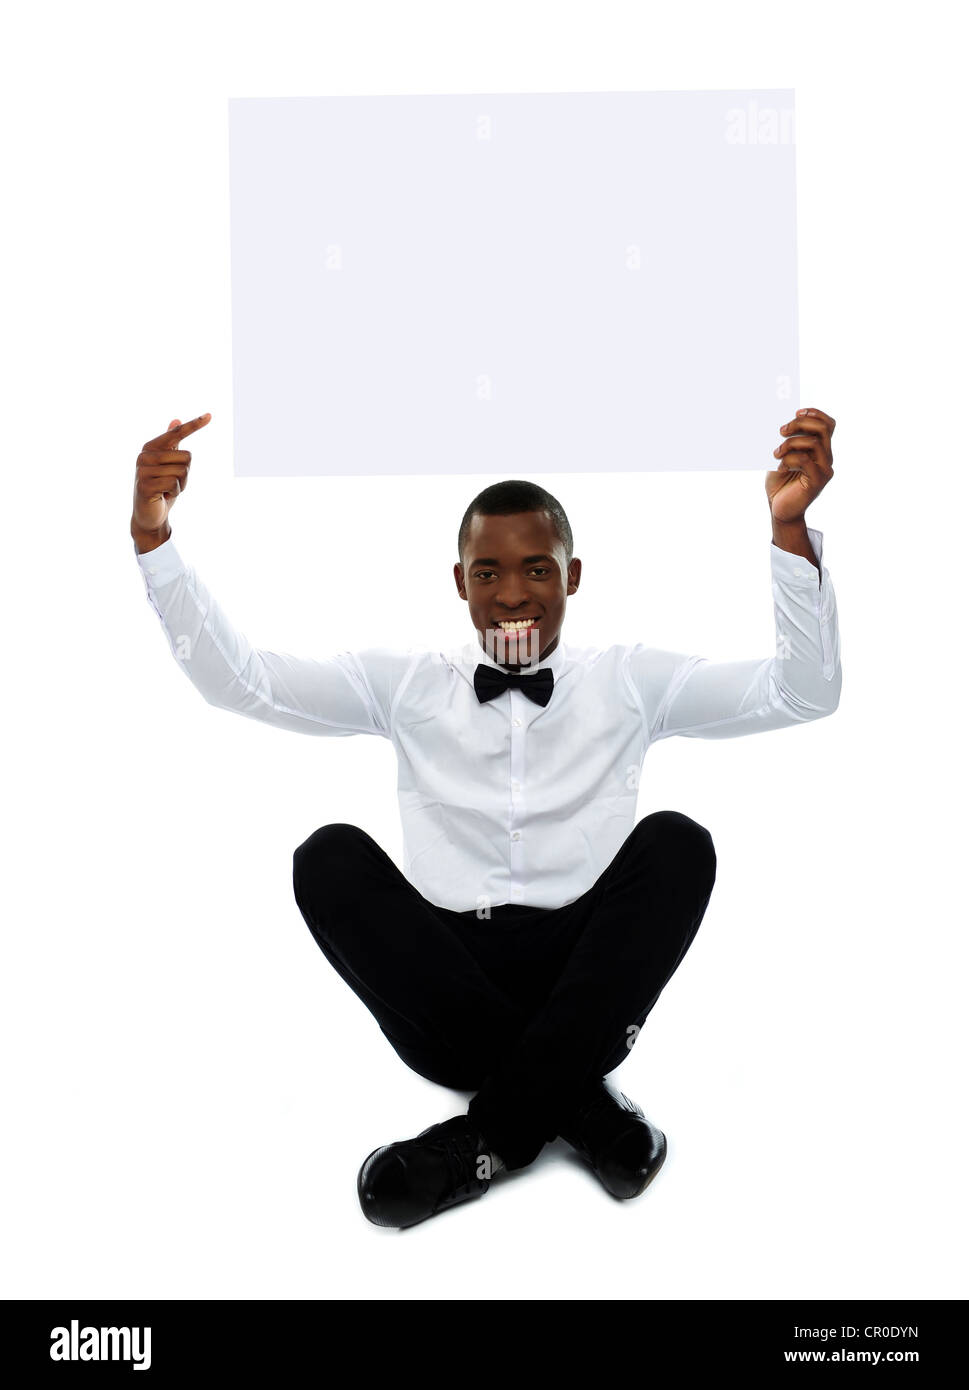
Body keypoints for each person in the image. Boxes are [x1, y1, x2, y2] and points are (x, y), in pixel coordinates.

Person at [131, 407, 841, 1229]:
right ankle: (585, 1110)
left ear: (572, 577)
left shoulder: (631, 681)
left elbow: (802, 693)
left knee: (679, 844)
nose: (512, 595)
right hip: (441, 997)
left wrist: (789, 530)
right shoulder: (402, 683)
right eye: (488, 573)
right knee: (325, 857)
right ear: (459, 580)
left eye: (537, 570)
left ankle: (477, 1146)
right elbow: (239, 683)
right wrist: (156, 540)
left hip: (586, 987)